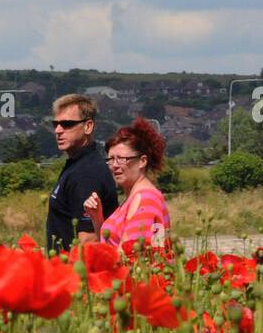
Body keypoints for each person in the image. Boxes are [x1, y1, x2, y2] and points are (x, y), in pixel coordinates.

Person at [45, 94, 119, 254]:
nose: (58, 130)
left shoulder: (86, 174)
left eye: (67, 124)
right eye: (55, 124)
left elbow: (89, 242)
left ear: (88, 126)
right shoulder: (78, 165)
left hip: (74, 273)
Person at [83, 117, 170, 251]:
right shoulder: (133, 199)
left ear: (142, 161)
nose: (115, 166)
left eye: (122, 159)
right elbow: (112, 247)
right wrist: (97, 218)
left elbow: (130, 257)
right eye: (111, 159)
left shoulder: (145, 200)